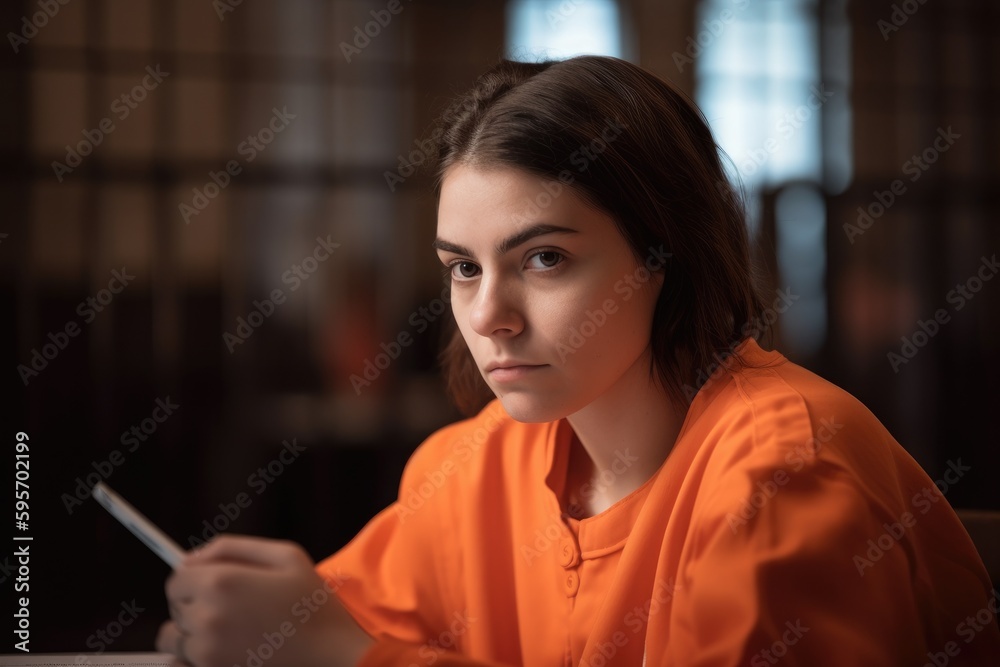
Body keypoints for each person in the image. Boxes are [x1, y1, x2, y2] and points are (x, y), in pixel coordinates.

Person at [156, 56, 1000, 666]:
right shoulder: (470, 466)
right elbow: (323, 619)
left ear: (664, 255)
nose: (488, 315)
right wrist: (238, 624)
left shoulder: (783, 472)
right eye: (464, 266)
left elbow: (338, 643)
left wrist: (344, 657)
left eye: (545, 258)